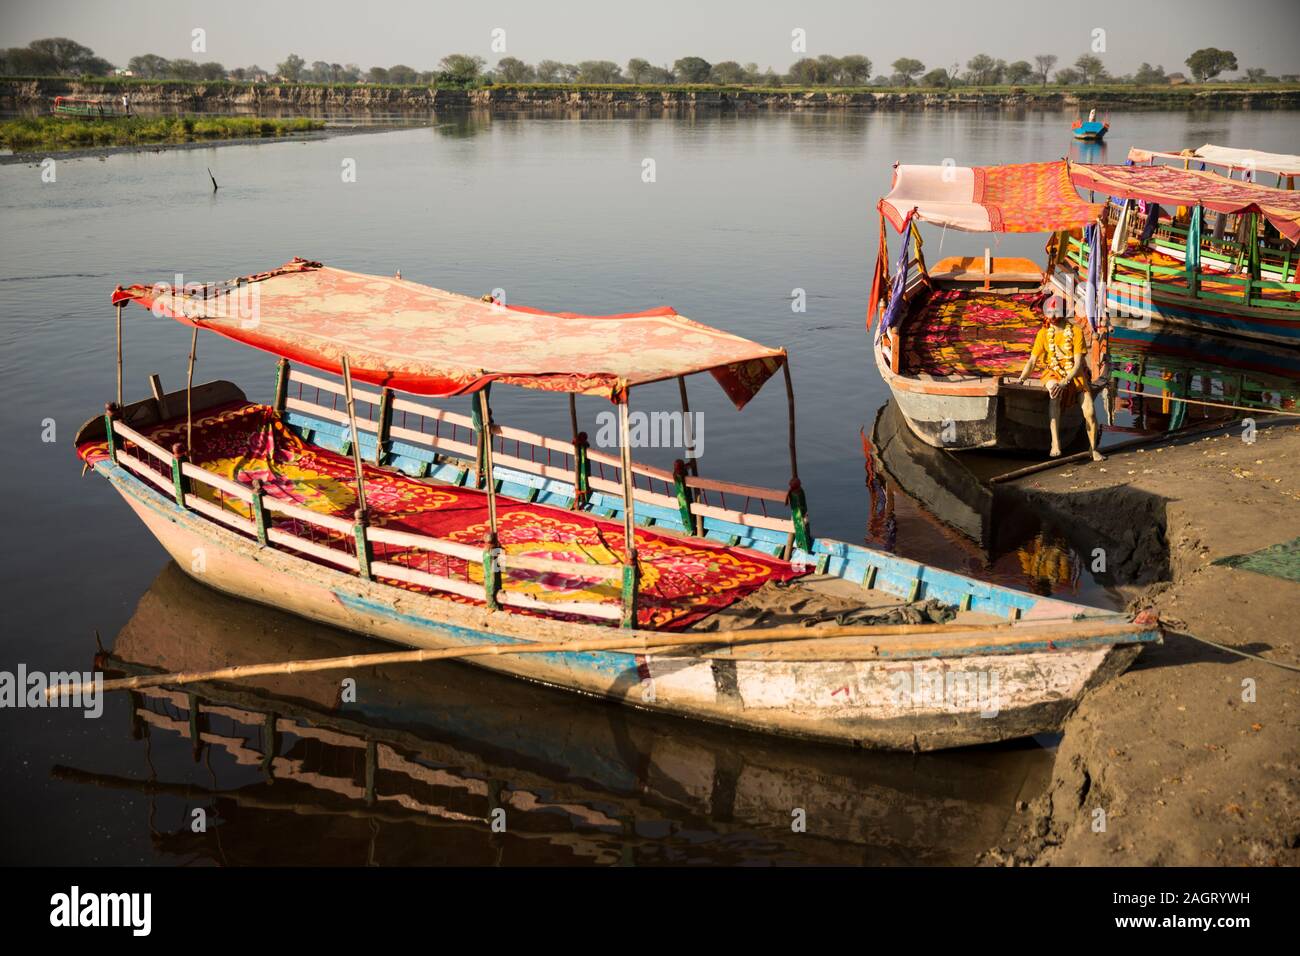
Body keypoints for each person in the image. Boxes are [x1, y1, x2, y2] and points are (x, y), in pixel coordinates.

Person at [1015, 311, 1104, 461]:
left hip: (1075, 375)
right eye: (1049, 314)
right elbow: (1032, 361)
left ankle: (1093, 449)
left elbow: (1077, 365)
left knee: (1089, 412)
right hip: (1053, 373)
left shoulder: (1075, 331)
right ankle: (1055, 442)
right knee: (1054, 394)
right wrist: (1021, 380)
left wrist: (1066, 381)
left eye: (1055, 314)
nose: (1052, 317)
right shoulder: (1043, 333)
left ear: (1062, 314)